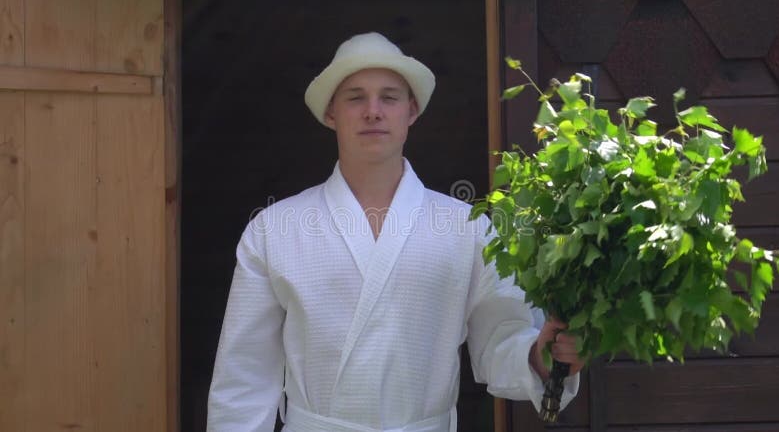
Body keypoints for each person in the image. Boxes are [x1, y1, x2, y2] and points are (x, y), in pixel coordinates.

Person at [207, 32, 583, 432]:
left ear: (412, 111)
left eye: (389, 97)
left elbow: (501, 338)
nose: (373, 111)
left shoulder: (467, 227)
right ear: (331, 113)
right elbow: (244, 378)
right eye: (355, 97)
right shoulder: (273, 230)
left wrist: (541, 355)